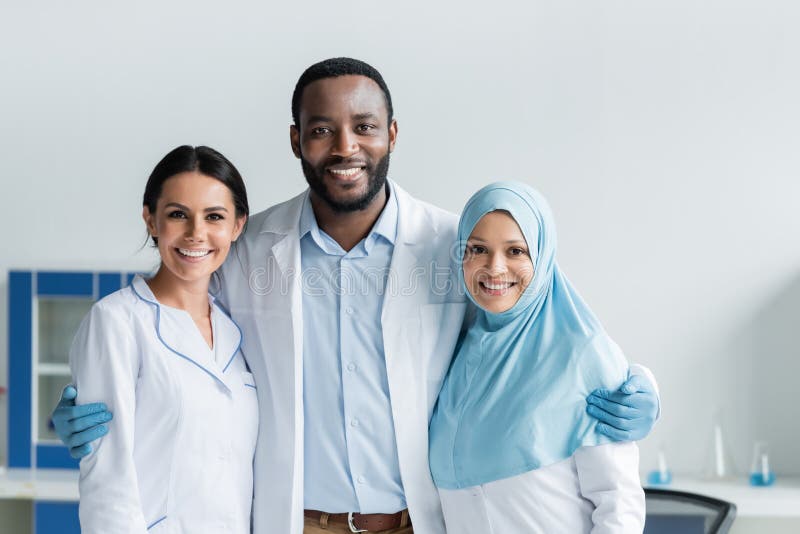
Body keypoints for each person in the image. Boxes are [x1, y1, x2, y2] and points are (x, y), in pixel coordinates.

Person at [53, 58, 659, 534]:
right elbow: (176, 342)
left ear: (391, 133)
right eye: (322, 130)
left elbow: (533, 333)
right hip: (297, 522)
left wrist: (636, 395)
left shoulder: (455, 246)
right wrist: (92, 413)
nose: (345, 147)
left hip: (418, 522)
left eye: (365, 127)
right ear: (296, 140)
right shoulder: (245, 247)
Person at [429, 182, 644, 533]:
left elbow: (619, 506)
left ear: (542, 255)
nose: (495, 268)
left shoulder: (584, 355)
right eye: (478, 249)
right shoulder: (455, 352)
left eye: (516, 251)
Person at [68, 145, 256, 533]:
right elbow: (107, 482)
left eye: (214, 216)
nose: (196, 234)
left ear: (237, 226)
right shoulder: (116, 321)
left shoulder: (236, 330)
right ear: (151, 220)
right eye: (177, 215)